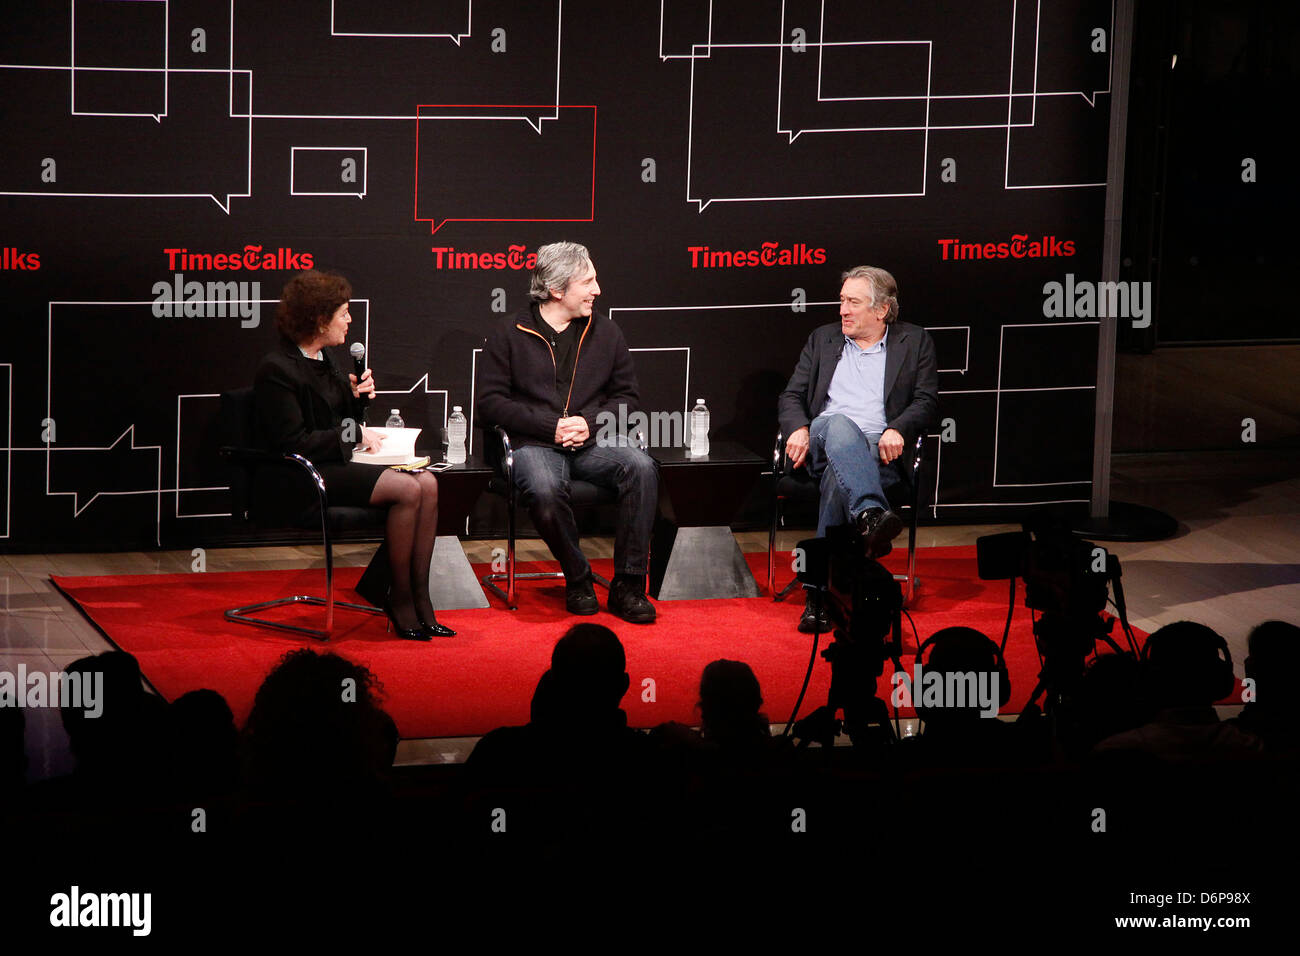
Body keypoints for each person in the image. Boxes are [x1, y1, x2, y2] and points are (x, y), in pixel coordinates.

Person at [254, 270, 453, 639]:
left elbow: (341, 422)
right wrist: (355, 434)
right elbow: (294, 442)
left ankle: (421, 598)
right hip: (302, 475)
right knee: (408, 489)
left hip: (336, 464)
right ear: (319, 319)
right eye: (343, 313)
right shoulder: (277, 369)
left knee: (427, 481)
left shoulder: (325, 360)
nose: (349, 320)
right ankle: (401, 598)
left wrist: (356, 399)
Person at [478, 242, 658, 623]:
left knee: (641, 467)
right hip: (534, 442)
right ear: (557, 289)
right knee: (544, 489)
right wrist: (551, 426)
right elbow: (491, 403)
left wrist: (588, 423)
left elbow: (628, 397)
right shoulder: (509, 332)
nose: (598, 290)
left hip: (592, 442)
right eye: (588, 281)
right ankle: (578, 577)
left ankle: (628, 586)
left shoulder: (606, 331)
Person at [778, 266, 939, 633]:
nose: (843, 310)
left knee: (840, 479)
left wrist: (897, 427)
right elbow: (791, 395)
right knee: (839, 424)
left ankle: (818, 595)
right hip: (823, 439)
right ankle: (870, 512)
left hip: (877, 453)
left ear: (881, 310)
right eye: (842, 301)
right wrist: (799, 428)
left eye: (853, 302)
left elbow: (926, 402)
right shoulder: (823, 339)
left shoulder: (914, 342)